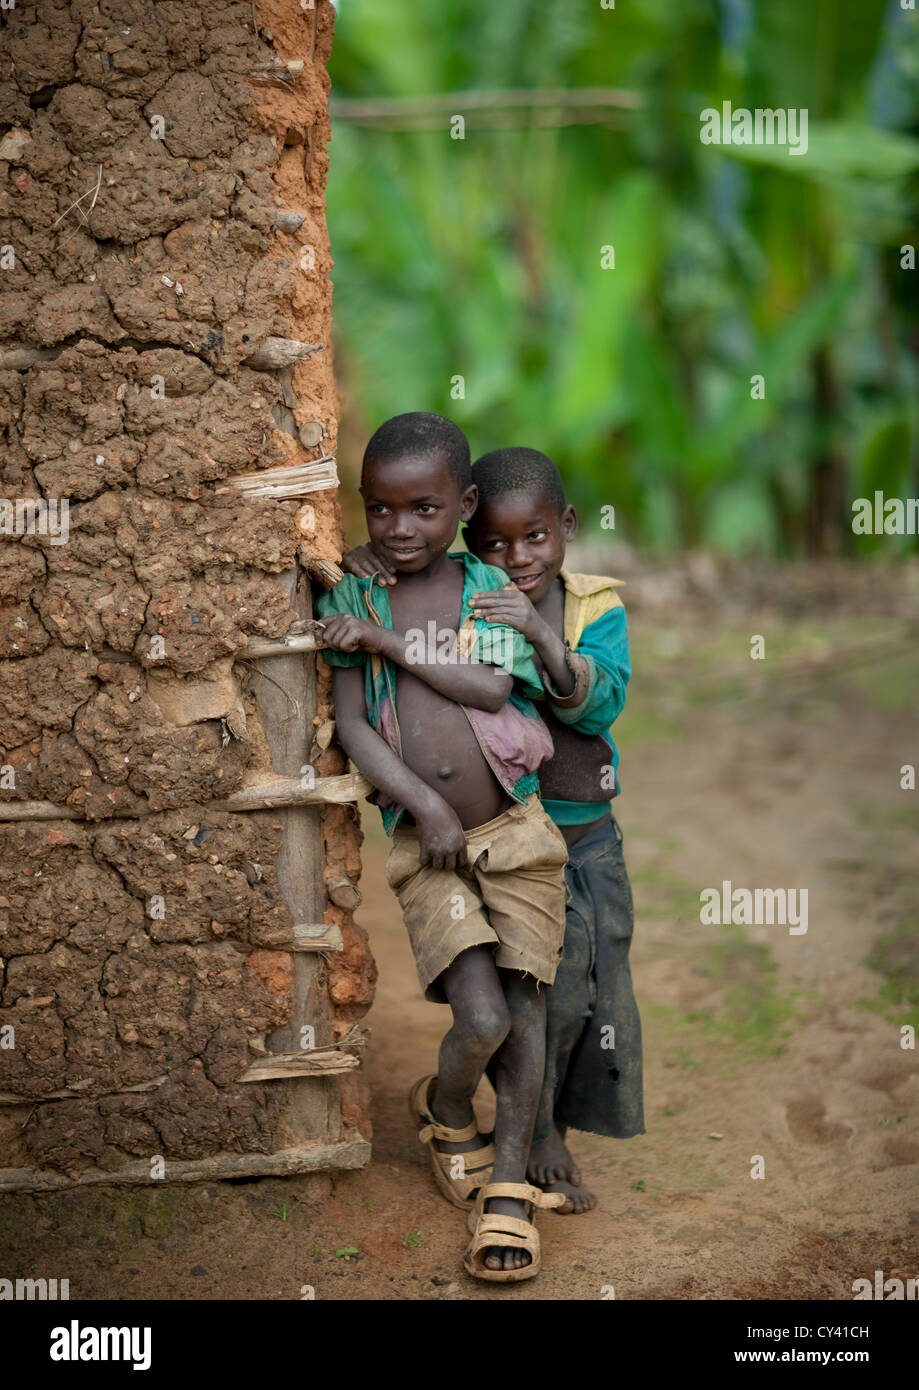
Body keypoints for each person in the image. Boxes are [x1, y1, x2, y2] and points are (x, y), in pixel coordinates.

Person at [344, 444, 644, 1216]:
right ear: (473, 530)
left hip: (579, 838)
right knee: (519, 1004)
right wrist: (368, 560)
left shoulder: (585, 607)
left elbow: (594, 702)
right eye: (498, 545)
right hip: (508, 834)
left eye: (535, 539)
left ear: (565, 529)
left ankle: (546, 1136)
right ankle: (529, 1133)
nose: (517, 559)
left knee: (581, 1000)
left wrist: (541, 634)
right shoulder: (468, 593)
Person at [317, 415, 569, 1281]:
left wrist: (388, 641)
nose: (398, 530)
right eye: (378, 511)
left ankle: (506, 1194)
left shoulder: (485, 589)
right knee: (483, 1017)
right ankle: (448, 1106)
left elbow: (490, 684)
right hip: (433, 843)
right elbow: (352, 724)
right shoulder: (349, 594)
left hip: (517, 833)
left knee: (525, 1006)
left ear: (462, 506)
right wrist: (425, 806)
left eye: (422, 509)